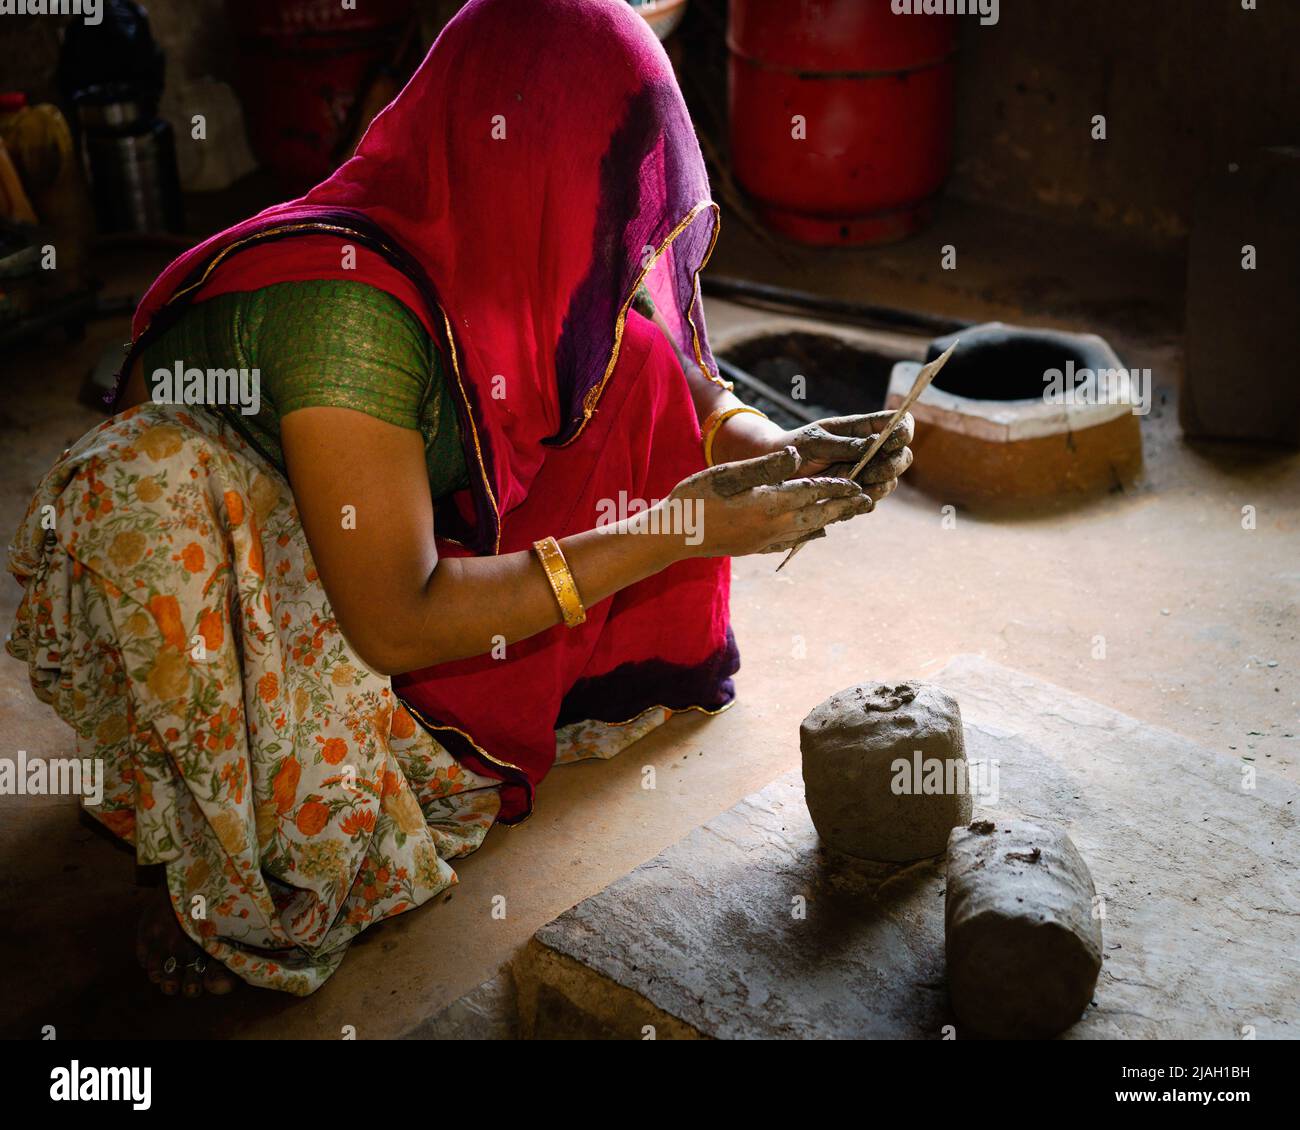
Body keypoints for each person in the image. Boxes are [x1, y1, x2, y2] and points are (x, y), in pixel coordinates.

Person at [7, 0, 912, 998]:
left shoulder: (497, 224)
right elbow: (398, 620)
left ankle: (481, 693)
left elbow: (659, 353)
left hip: (361, 522)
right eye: (602, 180)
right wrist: (679, 527)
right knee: (169, 497)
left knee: (627, 357)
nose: (618, 218)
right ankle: (225, 812)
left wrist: (776, 450)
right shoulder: (352, 316)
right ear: (533, 157)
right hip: (224, 560)